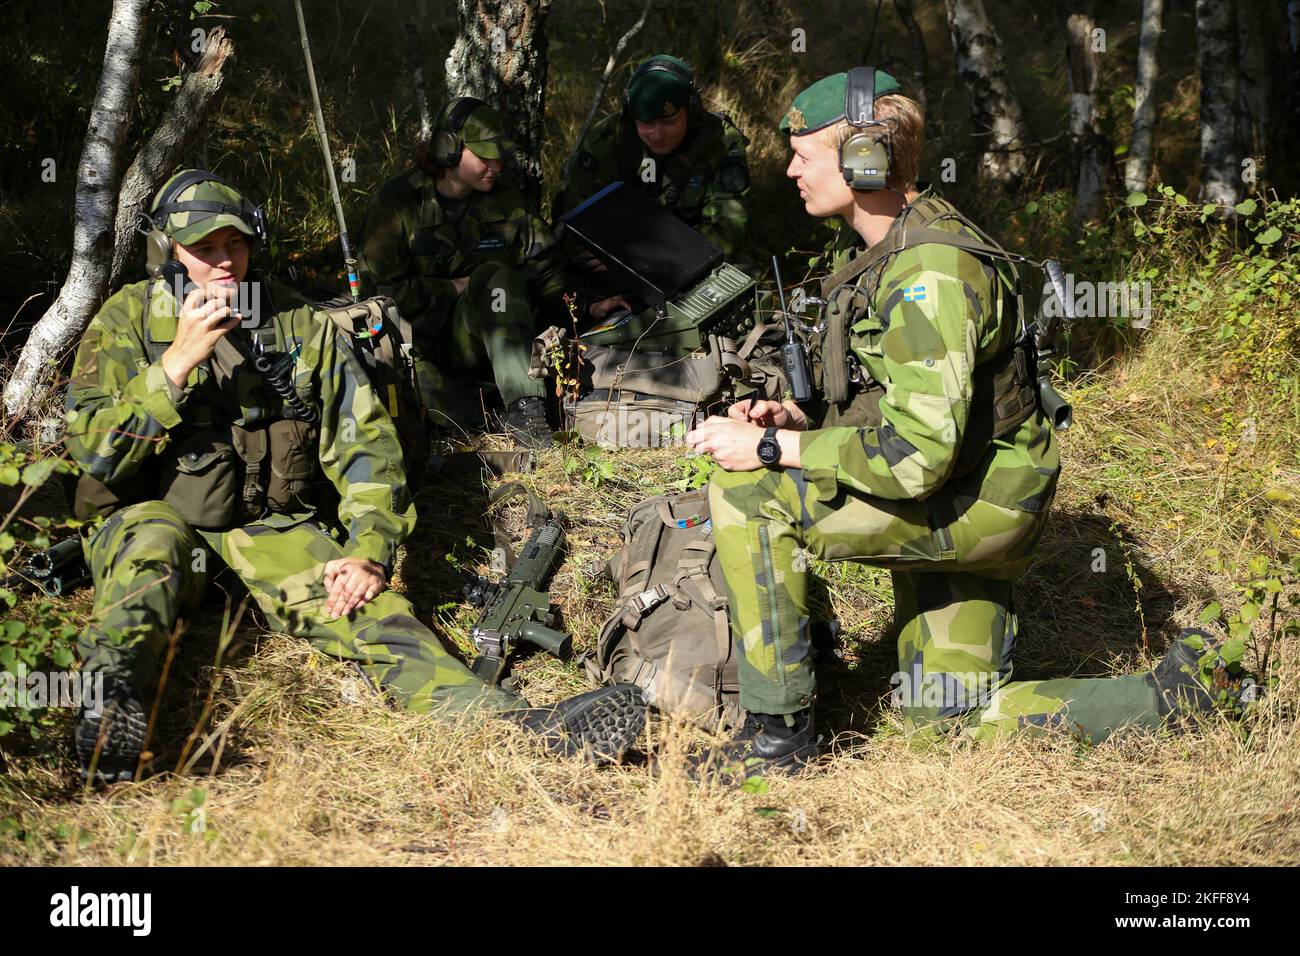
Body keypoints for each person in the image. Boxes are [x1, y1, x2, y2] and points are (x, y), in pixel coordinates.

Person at [684, 70, 1255, 783]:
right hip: (971, 482)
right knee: (944, 722)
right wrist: (801, 415)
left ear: (869, 159)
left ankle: (777, 736)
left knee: (748, 492)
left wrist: (772, 445)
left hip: (971, 502)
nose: (792, 168)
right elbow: (905, 398)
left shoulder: (931, 271)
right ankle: (1181, 700)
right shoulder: (888, 244)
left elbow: (915, 459)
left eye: (806, 153)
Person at [65, 169, 646, 784]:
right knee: (145, 568)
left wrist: (369, 549)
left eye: (234, 245)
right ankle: (109, 718)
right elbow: (97, 451)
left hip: (269, 532)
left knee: (376, 612)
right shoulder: (125, 321)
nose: (225, 263)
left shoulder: (292, 321)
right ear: (167, 254)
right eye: (204, 250)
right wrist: (176, 366)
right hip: (159, 521)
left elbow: (364, 442)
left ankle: (513, 727)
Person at [355, 98, 624, 448]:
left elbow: (546, 272)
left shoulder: (506, 203)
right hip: (421, 346)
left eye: (499, 156)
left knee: (496, 277)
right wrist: (453, 289)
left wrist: (587, 306)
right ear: (448, 151)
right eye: (485, 156)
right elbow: (378, 296)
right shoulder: (399, 202)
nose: (496, 166)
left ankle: (527, 410)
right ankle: (498, 409)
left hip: (489, 345)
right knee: (434, 403)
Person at [555, 54, 751, 261]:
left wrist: (646, 258)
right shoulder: (607, 140)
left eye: (669, 121)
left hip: (685, 260)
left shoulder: (722, 140)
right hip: (612, 259)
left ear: (691, 110)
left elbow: (727, 232)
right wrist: (602, 254)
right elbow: (574, 216)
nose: (657, 135)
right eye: (646, 123)